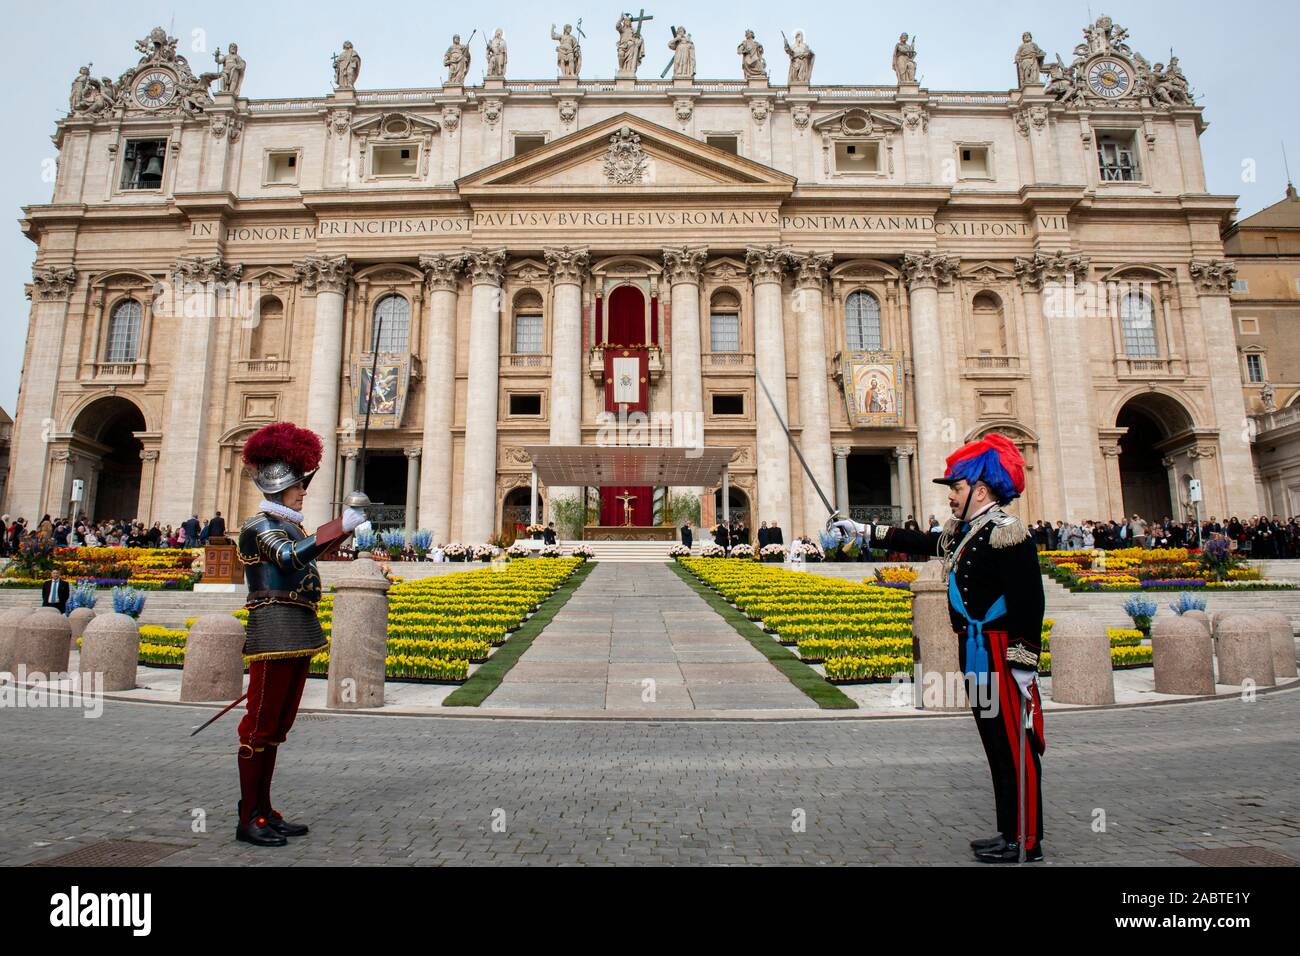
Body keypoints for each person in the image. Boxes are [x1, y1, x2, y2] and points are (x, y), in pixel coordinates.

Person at [828, 433, 1046, 862]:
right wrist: (862, 529)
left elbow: (1029, 601)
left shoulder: (1008, 533)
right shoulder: (966, 533)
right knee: (993, 743)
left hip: (1001, 652)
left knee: (1014, 744)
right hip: (975, 651)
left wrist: (1023, 661)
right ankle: (1008, 831)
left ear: (980, 490)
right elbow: (921, 543)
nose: (950, 497)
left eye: (956, 488)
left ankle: (1028, 840)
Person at [234, 421, 366, 847]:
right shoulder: (260, 526)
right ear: (278, 487)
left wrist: (342, 530)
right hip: (273, 627)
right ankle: (248, 817)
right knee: (257, 726)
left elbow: (306, 552)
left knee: (277, 726)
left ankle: (265, 810)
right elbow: (290, 559)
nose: (304, 490)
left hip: (296, 626)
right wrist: (335, 525)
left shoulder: (289, 524)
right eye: (298, 485)